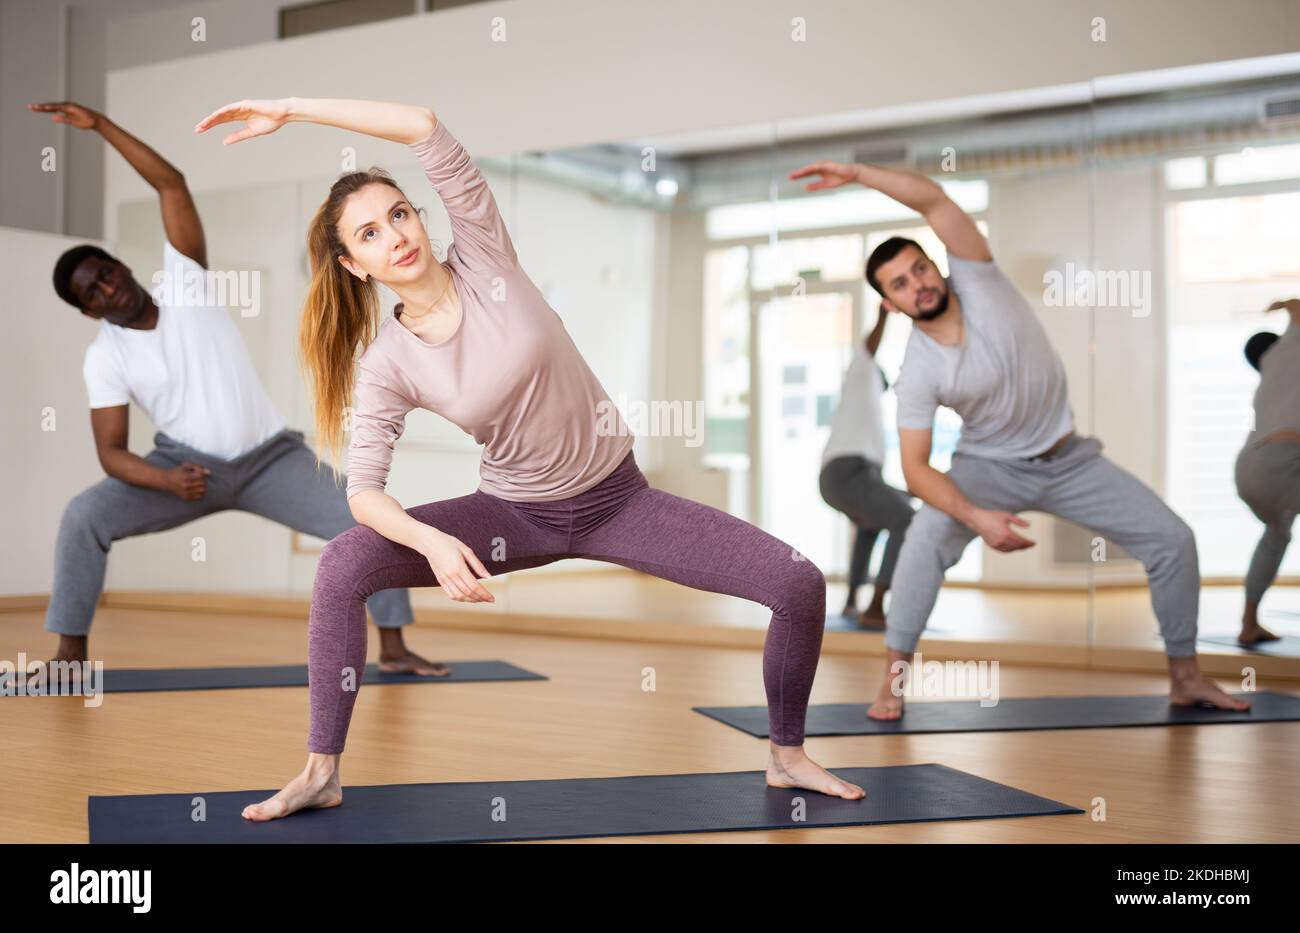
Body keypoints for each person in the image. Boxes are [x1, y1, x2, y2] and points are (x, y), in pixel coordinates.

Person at [193, 96, 864, 821]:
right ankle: (321, 768)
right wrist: (432, 541)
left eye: (399, 213)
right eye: (369, 232)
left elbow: (423, 125)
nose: (395, 234)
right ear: (353, 265)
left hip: (621, 503)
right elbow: (364, 493)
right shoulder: (387, 363)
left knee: (797, 583)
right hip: (515, 514)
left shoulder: (484, 254)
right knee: (343, 564)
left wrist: (291, 110)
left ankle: (786, 753)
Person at [788, 156, 1251, 721]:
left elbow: (933, 201)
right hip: (990, 468)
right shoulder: (919, 372)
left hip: (1071, 459)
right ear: (891, 303)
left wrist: (860, 175)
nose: (918, 285)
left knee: (1172, 540)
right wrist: (978, 518)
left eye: (920, 269)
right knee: (925, 537)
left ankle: (1186, 677)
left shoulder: (980, 278)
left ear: (938, 265)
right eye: (900, 285)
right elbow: (916, 470)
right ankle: (893, 681)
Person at [27, 101, 429, 681]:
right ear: (87, 309)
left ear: (121, 266)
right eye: (93, 292)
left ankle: (392, 645)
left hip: (271, 460)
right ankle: (69, 657)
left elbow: (171, 184)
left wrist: (103, 127)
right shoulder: (104, 358)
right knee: (83, 515)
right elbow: (111, 453)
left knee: (371, 520)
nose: (108, 289)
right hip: (186, 471)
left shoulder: (185, 281)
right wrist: (166, 479)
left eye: (107, 273)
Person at [818, 309, 914, 628]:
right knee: (904, 518)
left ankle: (849, 603)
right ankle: (874, 608)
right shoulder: (862, 370)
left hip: (856, 474)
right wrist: (884, 315)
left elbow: (876, 482)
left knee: (871, 525)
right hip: (846, 471)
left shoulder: (871, 410)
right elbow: (869, 346)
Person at [1233, 299, 1300, 646]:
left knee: (1276, 537)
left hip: (1247, 471)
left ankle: (1248, 625)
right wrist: (1287, 305)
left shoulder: (1269, 381)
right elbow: (1298, 312)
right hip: (1281, 461)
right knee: (1276, 536)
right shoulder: (1284, 353)